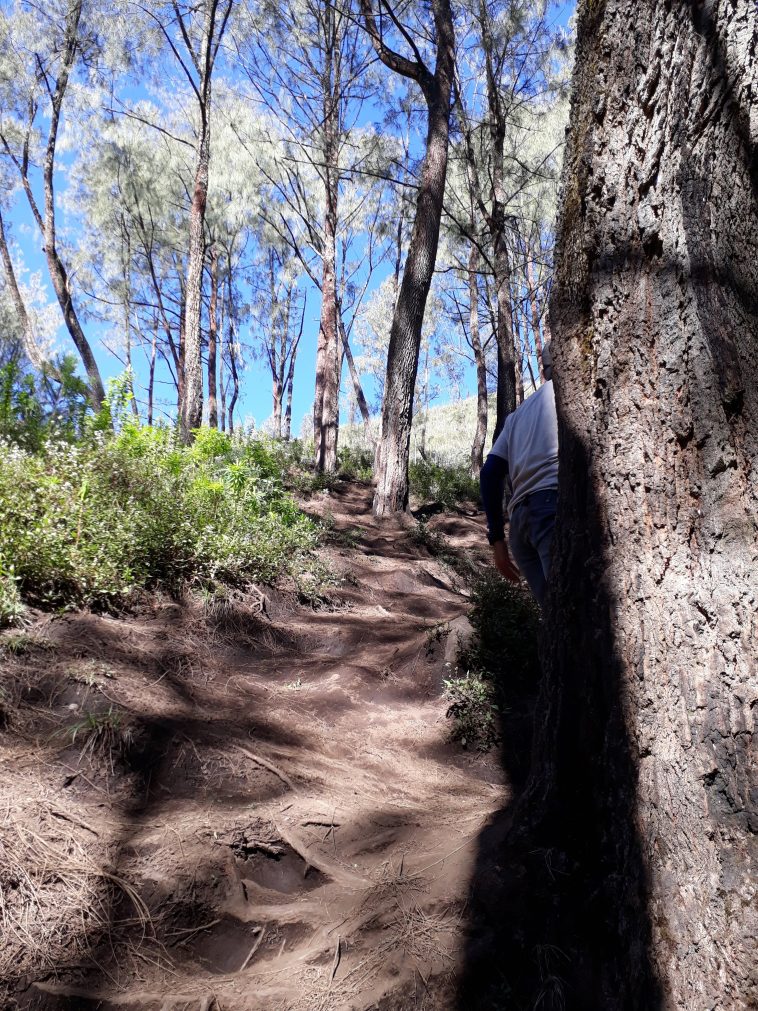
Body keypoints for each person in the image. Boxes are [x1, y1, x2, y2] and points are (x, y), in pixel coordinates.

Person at [479, 344, 558, 607]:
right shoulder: (571, 395)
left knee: (555, 622)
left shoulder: (517, 415)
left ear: (544, 371)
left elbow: (490, 473)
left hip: (520, 525)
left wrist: (497, 541)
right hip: (552, 510)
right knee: (572, 615)